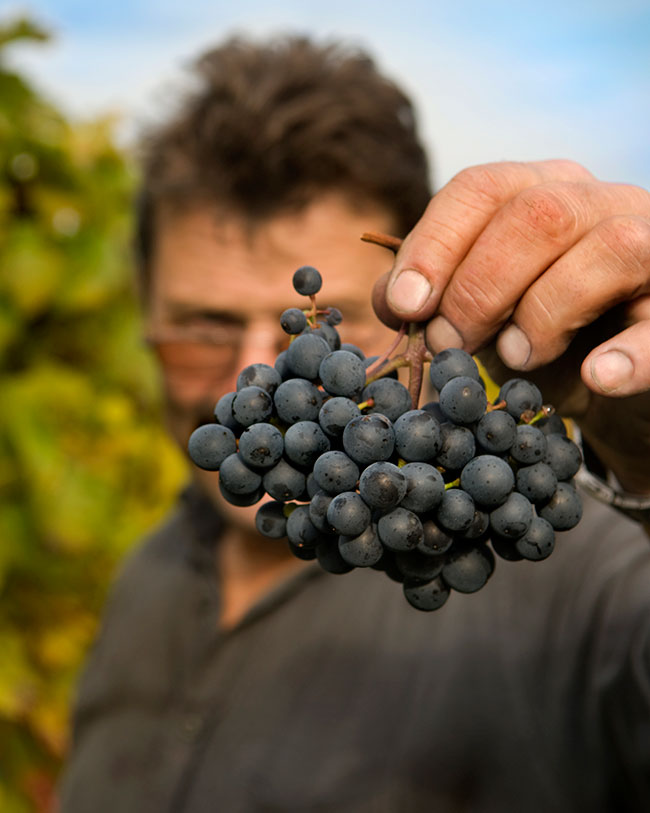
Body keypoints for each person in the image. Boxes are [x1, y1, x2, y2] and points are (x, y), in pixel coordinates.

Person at [59, 35, 650, 812]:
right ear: (142, 314)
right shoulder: (145, 571)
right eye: (200, 325)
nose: (256, 376)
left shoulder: (589, 583)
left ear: (421, 289)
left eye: (323, 327)